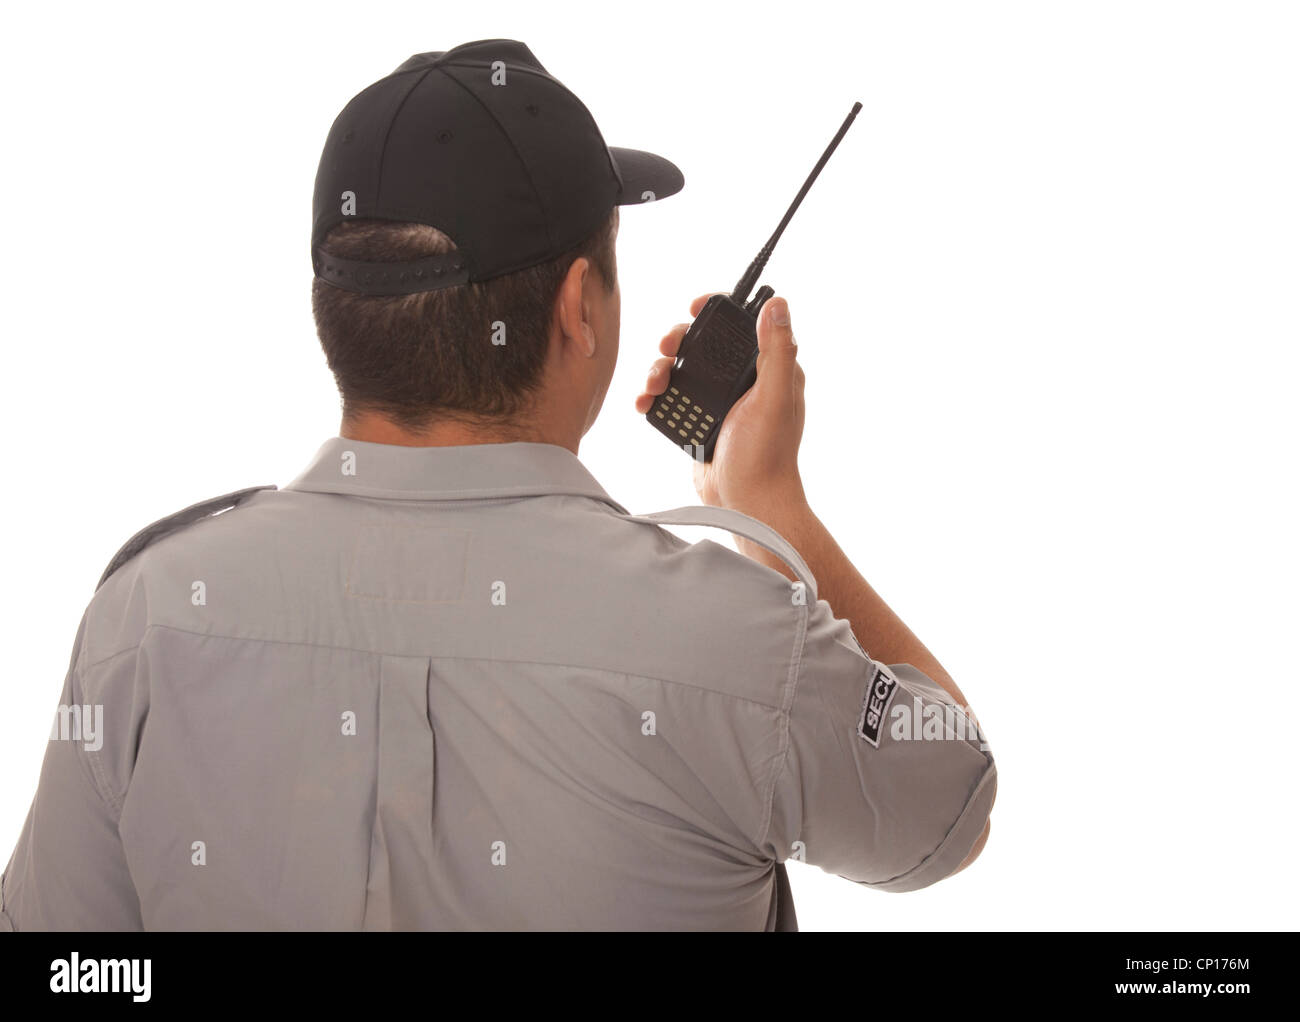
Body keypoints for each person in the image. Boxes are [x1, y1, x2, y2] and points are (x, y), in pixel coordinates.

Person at [0, 39, 994, 932]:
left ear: (331, 308)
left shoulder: (146, 615)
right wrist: (767, 507)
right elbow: (947, 798)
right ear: (577, 307)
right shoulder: (737, 639)